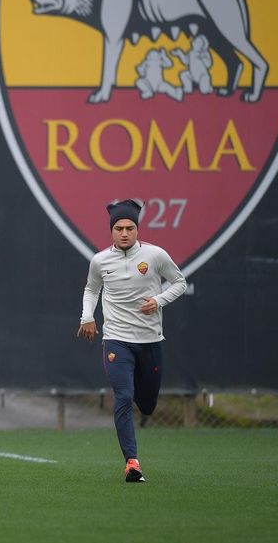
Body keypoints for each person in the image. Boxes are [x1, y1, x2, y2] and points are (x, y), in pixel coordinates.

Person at [77, 199, 187, 483]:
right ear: (111, 231)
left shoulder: (155, 255)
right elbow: (92, 289)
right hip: (116, 340)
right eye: (119, 228)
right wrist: (87, 317)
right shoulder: (100, 260)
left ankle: (139, 391)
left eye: (129, 228)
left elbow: (180, 282)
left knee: (147, 405)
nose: (124, 233)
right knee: (124, 397)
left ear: (137, 230)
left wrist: (158, 300)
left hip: (150, 340)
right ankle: (132, 462)